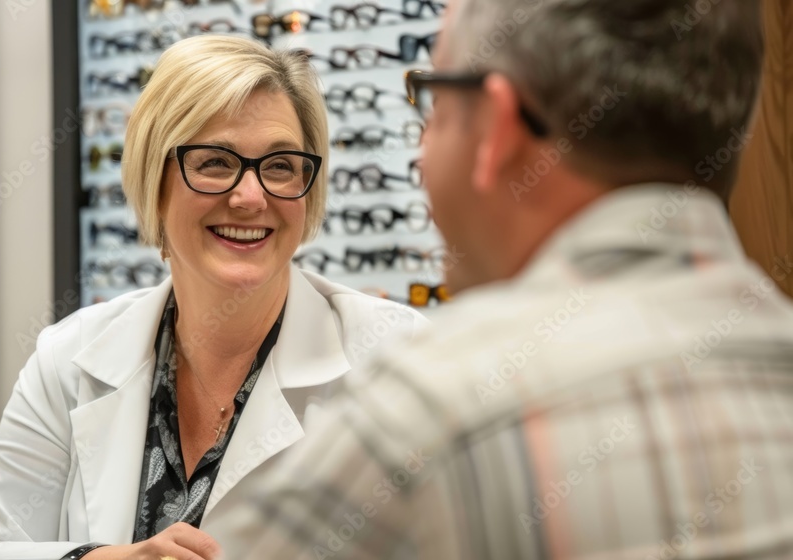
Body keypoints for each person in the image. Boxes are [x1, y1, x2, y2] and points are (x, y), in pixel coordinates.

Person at [208, 1, 793, 558]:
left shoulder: (431, 413)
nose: (418, 153)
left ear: (496, 128)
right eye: (214, 162)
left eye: (433, 101)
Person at [0, 35, 428, 560]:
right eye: (214, 163)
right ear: (153, 182)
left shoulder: (399, 359)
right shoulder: (69, 360)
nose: (251, 197)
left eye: (279, 166)